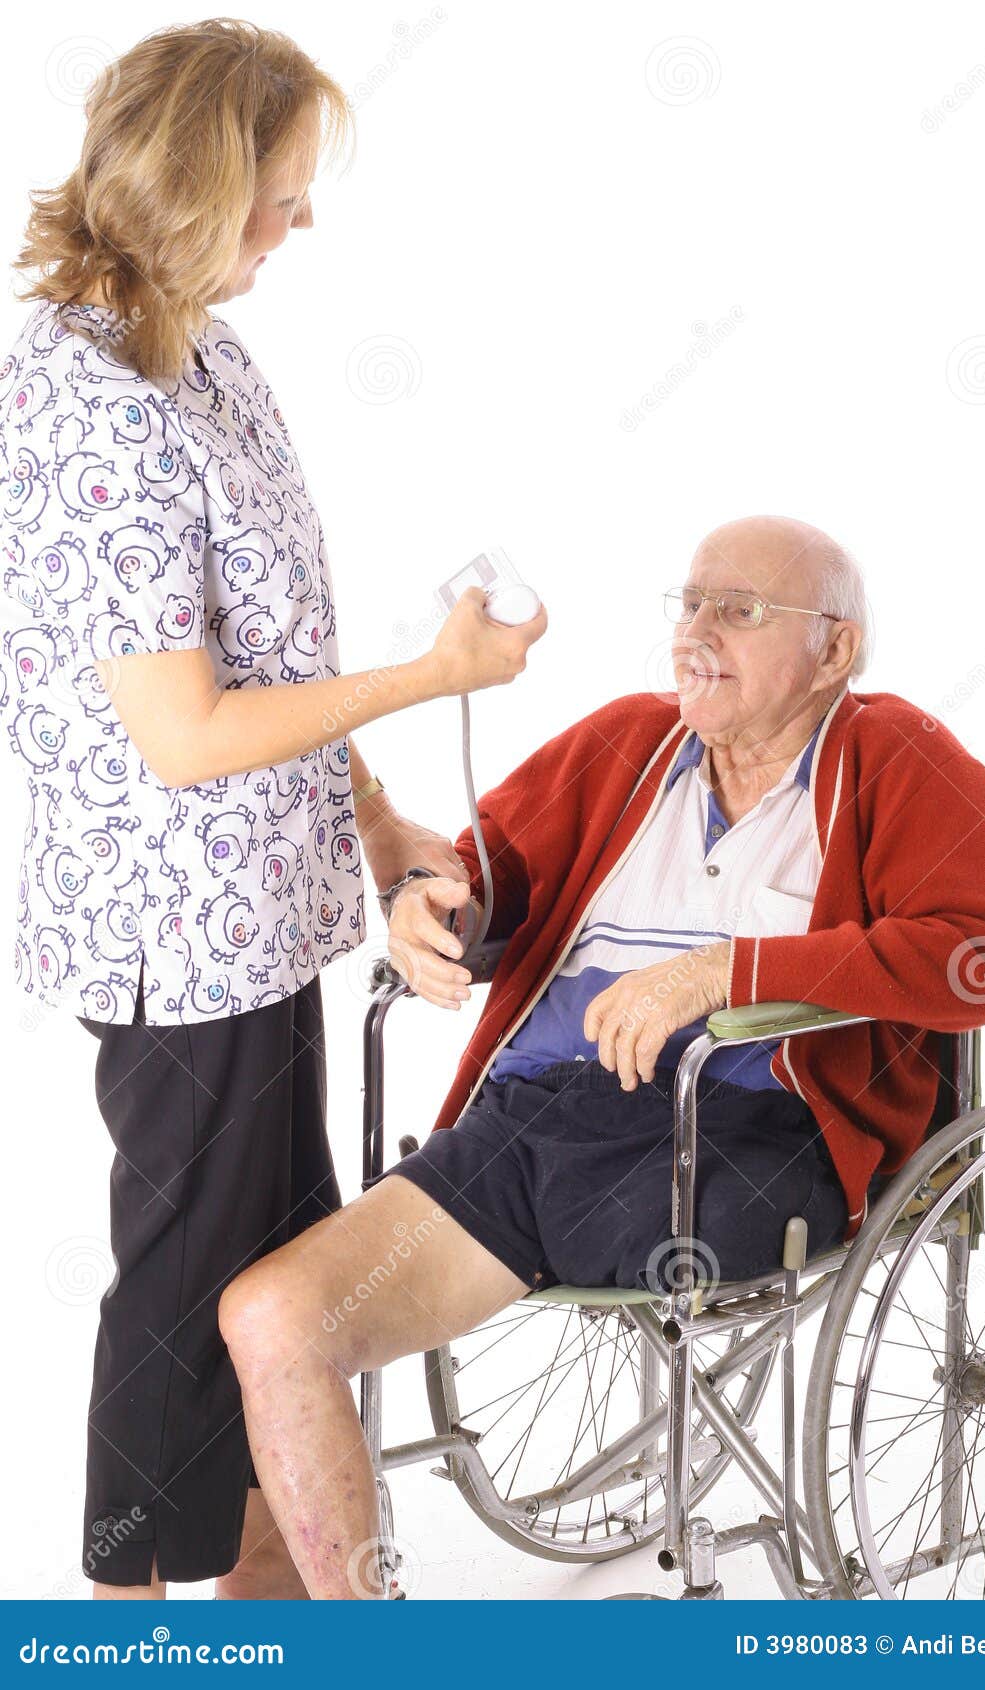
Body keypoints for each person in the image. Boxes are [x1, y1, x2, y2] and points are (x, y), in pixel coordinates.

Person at [218, 514, 985, 1598]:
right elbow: (481, 877)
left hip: (746, 1131)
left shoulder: (900, 757)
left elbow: (974, 957)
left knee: (615, 1223)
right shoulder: (622, 741)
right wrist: (428, 906)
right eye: (687, 604)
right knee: (267, 1316)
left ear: (832, 650)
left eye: (737, 611)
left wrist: (720, 974)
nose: (694, 632)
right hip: (534, 1118)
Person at [0, 20, 545, 1599]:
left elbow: (270, 661)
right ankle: (123, 1610)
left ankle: (277, 1589)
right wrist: (429, 672)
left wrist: (375, 829)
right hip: (178, 938)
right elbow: (183, 733)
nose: (296, 229)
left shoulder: (204, 350)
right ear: (198, 183)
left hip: (264, 915)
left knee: (274, 1268)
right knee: (176, 1298)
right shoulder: (91, 404)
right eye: (279, 198)